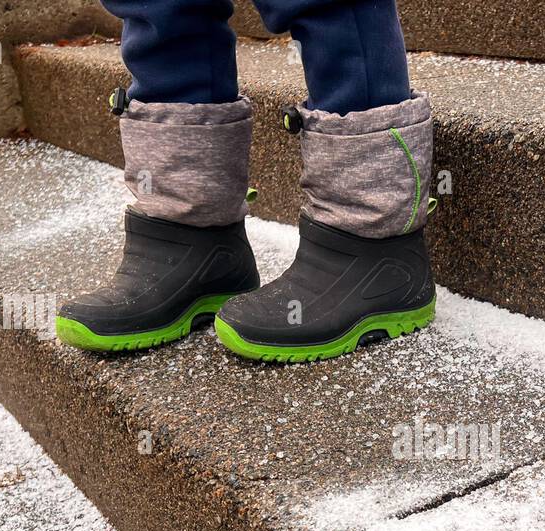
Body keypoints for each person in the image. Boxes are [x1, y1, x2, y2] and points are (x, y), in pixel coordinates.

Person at [54, 0, 435, 362]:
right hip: (187, 236)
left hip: (370, 251)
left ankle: (373, 246)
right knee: (161, 7)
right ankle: (191, 235)